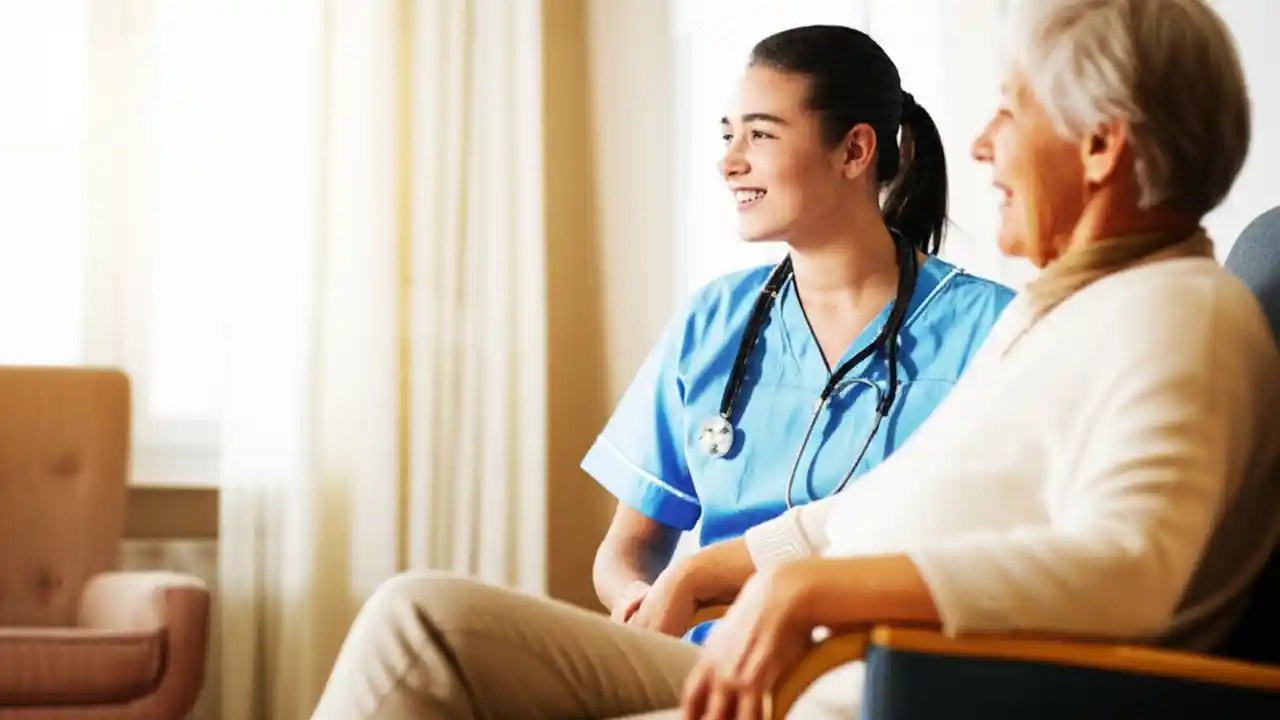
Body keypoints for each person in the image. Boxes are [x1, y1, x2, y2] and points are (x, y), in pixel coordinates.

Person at [310, 1, 1280, 718]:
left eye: (1010, 113)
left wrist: (806, 591)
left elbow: (1128, 569)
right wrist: (719, 573)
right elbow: (870, 508)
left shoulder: (1178, 315)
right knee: (419, 622)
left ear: (1102, 146)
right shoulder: (1063, 312)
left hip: (860, 685)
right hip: (783, 654)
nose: (980, 145)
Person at [587, 24, 1012, 640]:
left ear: (855, 151)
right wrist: (638, 600)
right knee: (432, 616)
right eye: (729, 135)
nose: (729, 162)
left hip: (860, 672)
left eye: (759, 134)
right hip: (701, 664)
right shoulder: (713, 321)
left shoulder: (991, 331)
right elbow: (627, 551)